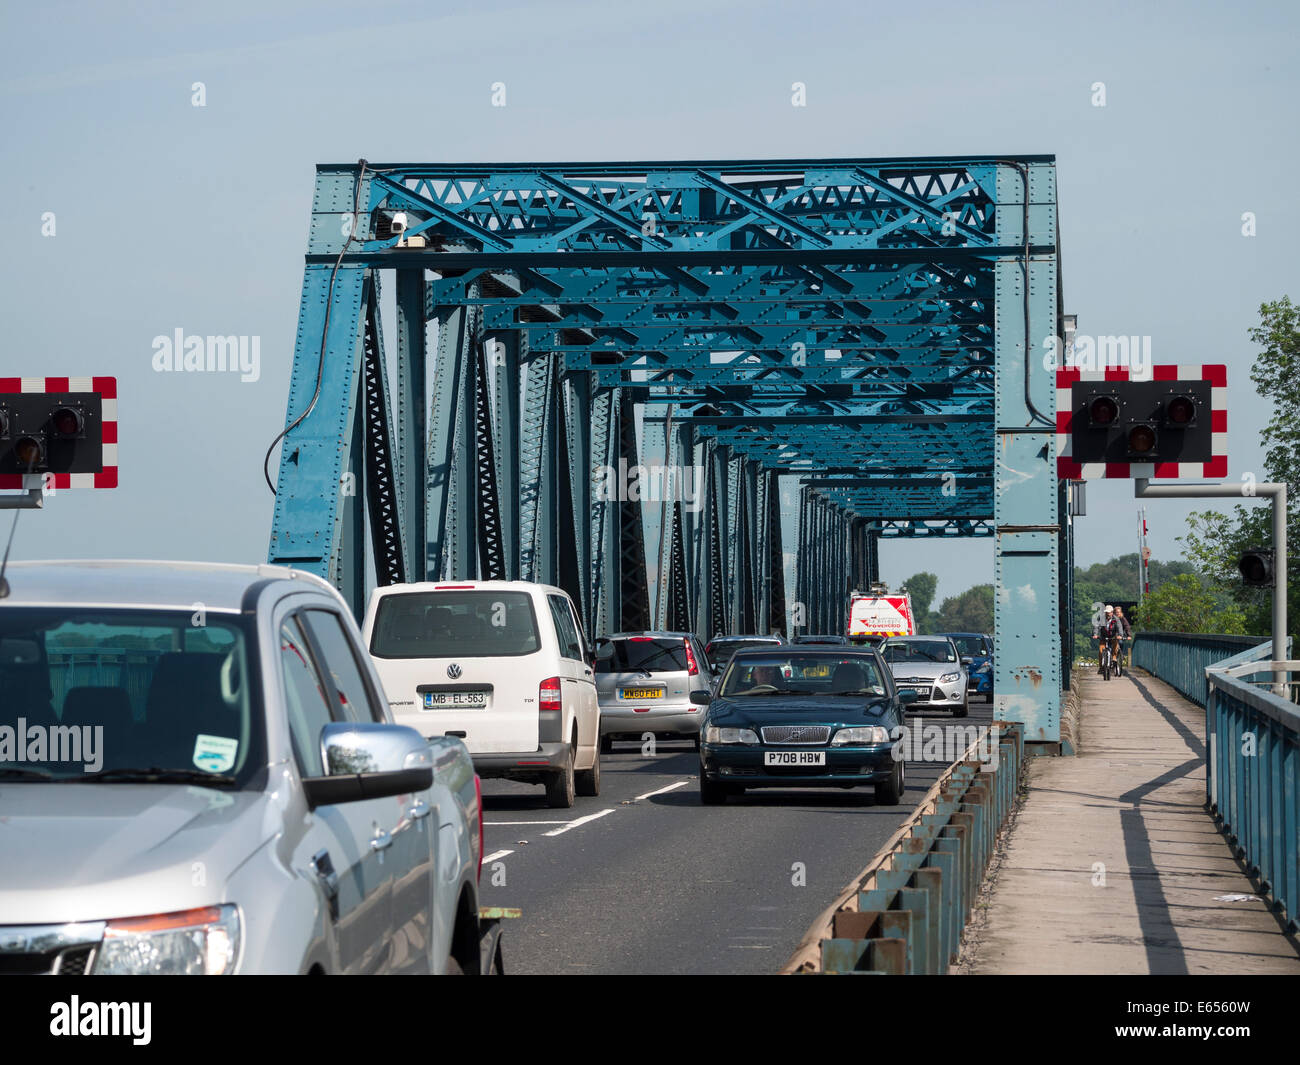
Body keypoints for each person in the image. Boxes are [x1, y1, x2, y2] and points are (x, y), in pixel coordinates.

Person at [1092, 605, 1121, 674]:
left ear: (1112, 612)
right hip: (1104, 636)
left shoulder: (1116, 619)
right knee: (1101, 651)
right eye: (1106, 612)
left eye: (1109, 612)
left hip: (1113, 636)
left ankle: (1114, 658)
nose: (1108, 614)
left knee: (1115, 645)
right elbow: (1096, 626)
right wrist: (1095, 634)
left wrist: (1120, 635)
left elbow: (1119, 627)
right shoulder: (1101, 618)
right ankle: (1101, 667)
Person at [1113, 606, 1133, 671]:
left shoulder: (1123, 619)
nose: (1118, 613)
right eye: (1116, 612)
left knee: (1121, 642)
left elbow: (1127, 627)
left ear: (1121, 612)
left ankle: (1121, 654)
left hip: (1120, 635)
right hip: (1113, 635)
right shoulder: (1112, 619)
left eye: (1119, 612)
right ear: (1114, 613)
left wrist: (1129, 635)